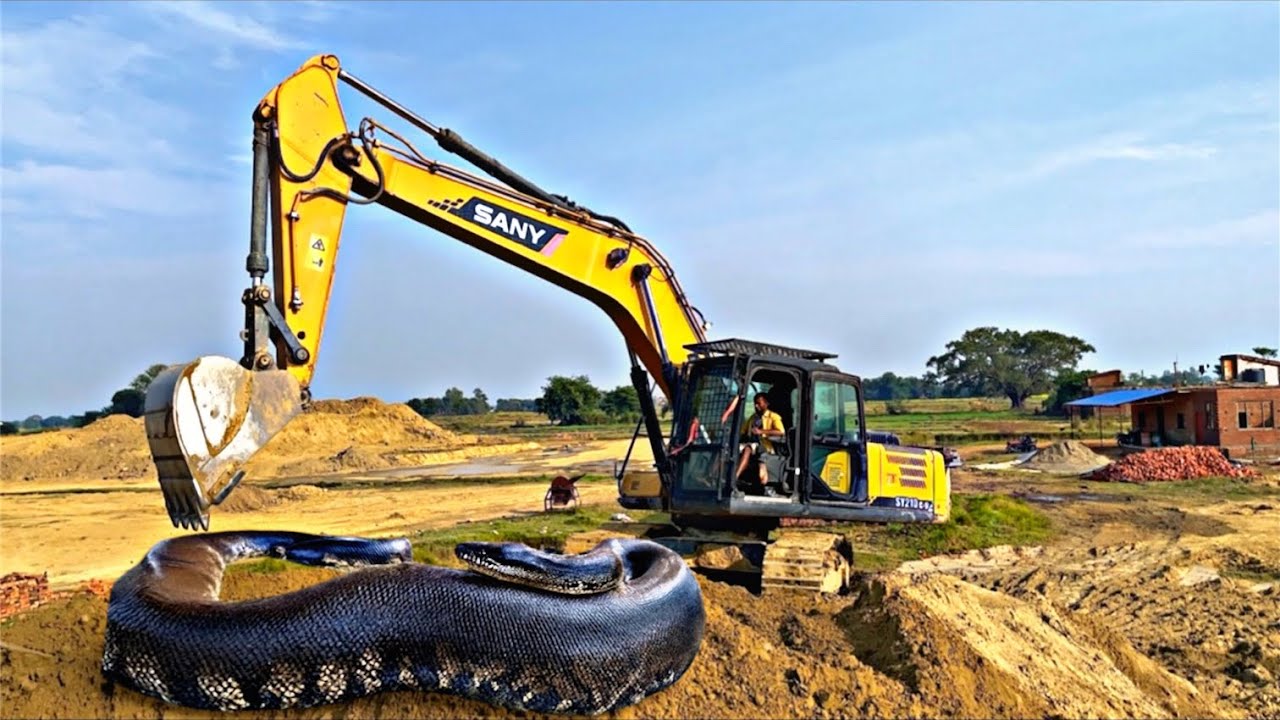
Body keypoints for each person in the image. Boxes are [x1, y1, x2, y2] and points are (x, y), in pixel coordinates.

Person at [735, 392, 785, 495]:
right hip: (752, 444)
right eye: (755, 403)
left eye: (759, 403)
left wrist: (762, 432)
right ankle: (712, 476)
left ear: (766, 403)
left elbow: (781, 432)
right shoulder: (753, 418)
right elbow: (743, 432)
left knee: (748, 449)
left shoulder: (773, 417)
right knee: (729, 447)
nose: (756, 406)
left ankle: (734, 478)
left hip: (765, 447)